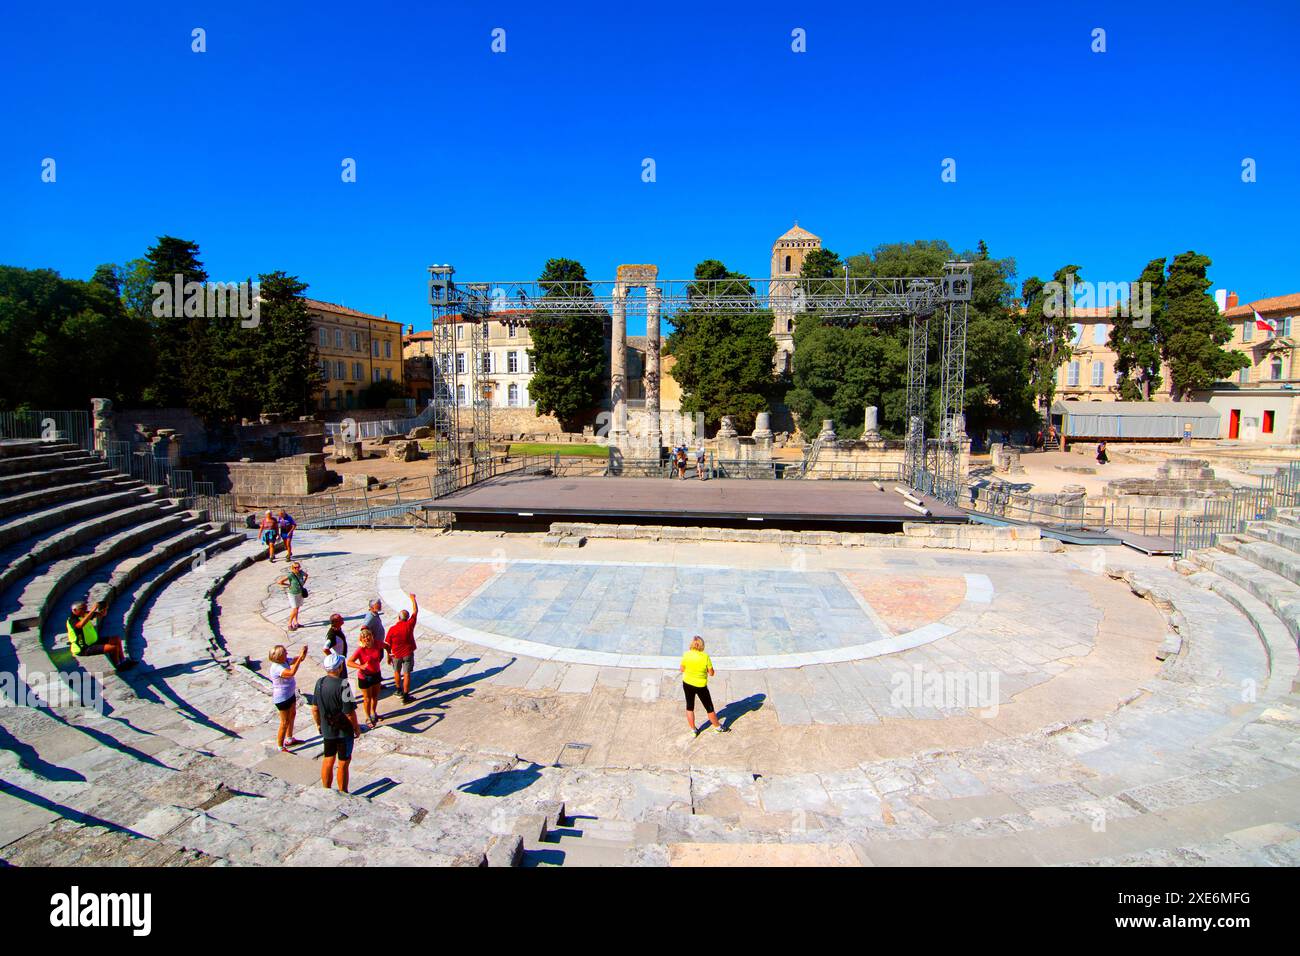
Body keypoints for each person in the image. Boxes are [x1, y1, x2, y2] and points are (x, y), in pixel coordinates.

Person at [311, 653, 359, 792]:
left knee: (328, 759)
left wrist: (319, 724)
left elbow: (314, 709)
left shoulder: (319, 683)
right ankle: (343, 792)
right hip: (343, 731)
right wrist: (356, 728)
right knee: (343, 762)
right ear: (339, 668)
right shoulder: (344, 685)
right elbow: (349, 713)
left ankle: (326, 790)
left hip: (327, 729)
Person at [66, 600, 133, 670]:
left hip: (94, 641)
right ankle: (118, 665)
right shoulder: (72, 619)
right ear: (74, 610)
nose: (85, 611)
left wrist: (104, 608)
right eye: (82, 609)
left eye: (85, 609)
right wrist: (92, 610)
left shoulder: (85, 614)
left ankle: (123, 660)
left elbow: (101, 614)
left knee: (116, 639)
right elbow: (80, 625)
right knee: (113, 647)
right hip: (84, 648)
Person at [680, 636, 725, 735]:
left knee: (689, 706)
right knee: (709, 708)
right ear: (702, 645)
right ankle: (717, 727)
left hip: (687, 683)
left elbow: (682, 669)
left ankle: (693, 730)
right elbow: (711, 673)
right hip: (701, 686)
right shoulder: (705, 657)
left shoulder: (686, 655)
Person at [268, 644, 308, 752]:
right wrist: (300, 658)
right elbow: (291, 673)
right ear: (279, 656)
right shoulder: (277, 668)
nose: (287, 653)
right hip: (282, 698)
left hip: (290, 694)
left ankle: (289, 738)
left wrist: (302, 654)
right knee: (284, 722)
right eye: (285, 652)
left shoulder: (284, 661)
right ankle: (280, 746)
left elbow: (297, 660)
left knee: (293, 715)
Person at [384, 593, 419, 703]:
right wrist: (413, 599)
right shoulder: (410, 625)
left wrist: (389, 655)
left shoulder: (392, 629)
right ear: (407, 618)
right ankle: (406, 695)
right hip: (408, 653)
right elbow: (415, 611)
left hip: (396, 654)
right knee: (407, 673)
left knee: (397, 672)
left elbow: (387, 644)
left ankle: (398, 689)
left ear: (398, 617)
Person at [348, 627, 385, 729]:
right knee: (367, 699)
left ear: (372, 636)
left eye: (368, 636)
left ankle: (374, 713)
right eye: (363, 637)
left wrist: (390, 656)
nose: (366, 638)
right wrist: (360, 666)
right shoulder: (360, 649)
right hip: (365, 676)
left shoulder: (377, 643)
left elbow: (386, 646)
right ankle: (368, 717)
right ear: (361, 639)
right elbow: (349, 662)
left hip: (376, 674)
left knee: (375, 696)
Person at [278, 561, 308, 631]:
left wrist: (303, 582)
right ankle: (289, 623)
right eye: (295, 567)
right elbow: (280, 582)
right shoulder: (291, 575)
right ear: (292, 568)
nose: (297, 568)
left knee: (297, 608)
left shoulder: (301, 572)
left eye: (298, 567)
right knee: (294, 609)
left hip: (299, 593)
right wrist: (288, 585)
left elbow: (306, 575)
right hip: (292, 593)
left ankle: (296, 622)